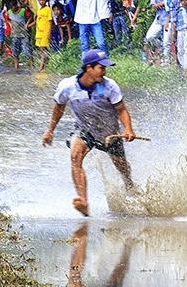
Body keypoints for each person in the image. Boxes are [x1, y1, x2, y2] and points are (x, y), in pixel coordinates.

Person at [42, 49, 138, 217]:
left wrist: (128, 129)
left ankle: (129, 185)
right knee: (75, 156)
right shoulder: (68, 86)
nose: (104, 71)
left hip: (110, 133)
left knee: (121, 166)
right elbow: (59, 107)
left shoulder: (110, 86)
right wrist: (50, 131)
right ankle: (83, 201)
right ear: (88, 68)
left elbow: (121, 109)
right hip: (84, 129)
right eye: (101, 68)